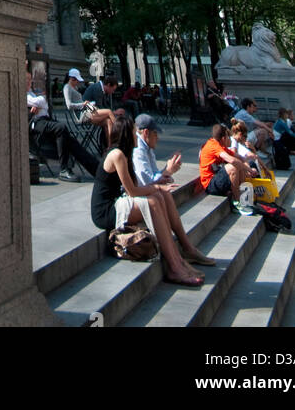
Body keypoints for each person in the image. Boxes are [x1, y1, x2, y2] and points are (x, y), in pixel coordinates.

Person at [91, 116, 214, 286]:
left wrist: (157, 189)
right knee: (154, 200)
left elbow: (136, 187)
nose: (137, 135)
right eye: (134, 132)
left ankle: (178, 260)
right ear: (127, 134)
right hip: (106, 210)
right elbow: (132, 191)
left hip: (118, 203)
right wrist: (156, 188)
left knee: (159, 196)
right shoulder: (117, 154)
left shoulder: (123, 154)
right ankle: (174, 267)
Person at [27, 71, 104, 180]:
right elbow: (41, 101)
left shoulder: (31, 93)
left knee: (70, 140)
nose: (28, 83)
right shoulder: (25, 94)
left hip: (45, 121)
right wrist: (39, 103)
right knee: (61, 128)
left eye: (29, 80)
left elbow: (42, 103)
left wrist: (39, 103)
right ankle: (64, 169)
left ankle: (97, 170)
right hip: (35, 124)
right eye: (26, 80)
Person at [200, 124, 253, 212]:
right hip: (210, 184)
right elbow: (232, 160)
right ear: (224, 138)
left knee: (241, 167)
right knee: (233, 167)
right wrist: (250, 170)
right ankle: (237, 202)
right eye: (228, 136)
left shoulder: (220, 146)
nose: (230, 139)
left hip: (217, 178)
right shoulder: (213, 146)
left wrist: (247, 166)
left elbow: (239, 157)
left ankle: (245, 200)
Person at [132, 114, 181, 187]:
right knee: (158, 194)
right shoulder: (138, 149)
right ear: (146, 133)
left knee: (164, 192)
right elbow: (147, 182)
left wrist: (167, 170)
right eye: (155, 133)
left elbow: (154, 174)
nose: (157, 138)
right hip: (134, 191)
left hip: (142, 188)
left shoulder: (147, 146)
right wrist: (168, 171)